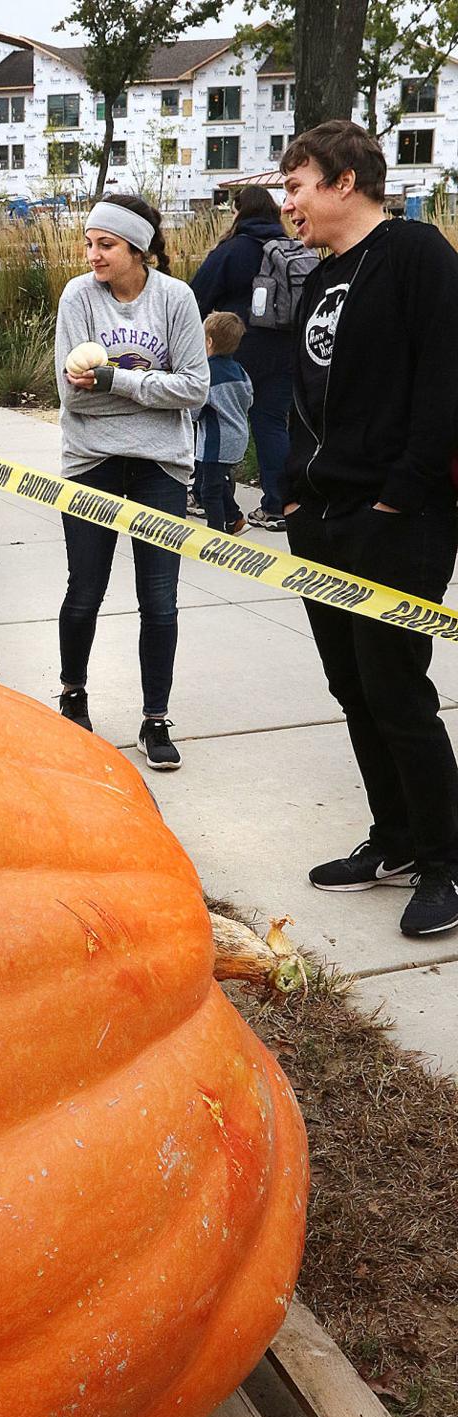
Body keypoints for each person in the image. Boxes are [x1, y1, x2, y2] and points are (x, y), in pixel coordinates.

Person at [279, 119, 458, 936]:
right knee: (351, 687)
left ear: (345, 181)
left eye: (298, 184)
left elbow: (444, 381)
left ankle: (444, 864)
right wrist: (289, 492)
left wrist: (402, 493)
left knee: (396, 691)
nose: (290, 202)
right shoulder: (322, 277)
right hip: (322, 521)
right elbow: (310, 396)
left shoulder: (416, 254)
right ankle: (392, 842)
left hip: (399, 520)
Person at [54, 193, 209, 772]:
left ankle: (155, 718)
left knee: (160, 602)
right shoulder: (78, 296)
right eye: (89, 242)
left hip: (160, 469)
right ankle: (73, 695)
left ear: (137, 249)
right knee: (84, 593)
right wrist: (149, 392)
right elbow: (72, 395)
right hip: (90, 463)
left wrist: (113, 379)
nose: (92, 254)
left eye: (106, 245)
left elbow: (196, 387)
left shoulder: (175, 299)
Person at [191, 186, 305, 530]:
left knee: (213, 418)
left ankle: (205, 494)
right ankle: (277, 505)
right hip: (286, 351)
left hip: (235, 353)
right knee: (272, 425)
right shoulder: (293, 247)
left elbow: (197, 295)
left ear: (241, 211)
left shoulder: (234, 248)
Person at [192, 312, 252, 537]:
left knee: (209, 491)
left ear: (208, 341)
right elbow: (250, 397)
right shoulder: (239, 370)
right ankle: (235, 519)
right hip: (238, 435)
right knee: (214, 483)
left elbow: (196, 410)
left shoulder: (207, 373)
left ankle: (215, 535)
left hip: (216, 442)